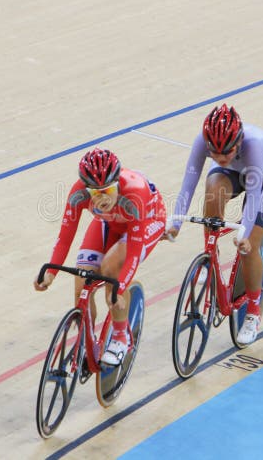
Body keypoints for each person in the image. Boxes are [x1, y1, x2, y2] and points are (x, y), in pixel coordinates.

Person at [34, 148, 166, 366]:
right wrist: (51, 273)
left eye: (107, 190)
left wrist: (120, 287)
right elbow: (65, 238)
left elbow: (133, 250)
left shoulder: (135, 192)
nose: (102, 197)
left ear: (117, 183)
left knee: (111, 270)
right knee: (81, 285)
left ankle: (121, 338)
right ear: (86, 190)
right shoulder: (78, 194)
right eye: (95, 193)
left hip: (149, 220)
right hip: (109, 222)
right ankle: (87, 342)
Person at [164, 104, 263, 346]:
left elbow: (255, 195)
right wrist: (175, 223)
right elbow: (189, 183)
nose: (219, 157)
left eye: (225, 152)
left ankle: (253, 312)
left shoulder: (253, 145)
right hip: (233, 173)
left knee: (249, 247)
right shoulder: (204, 143)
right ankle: (210, 258)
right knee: (213, 191)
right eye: (214, 153)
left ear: (237, 142)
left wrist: (246, 234)